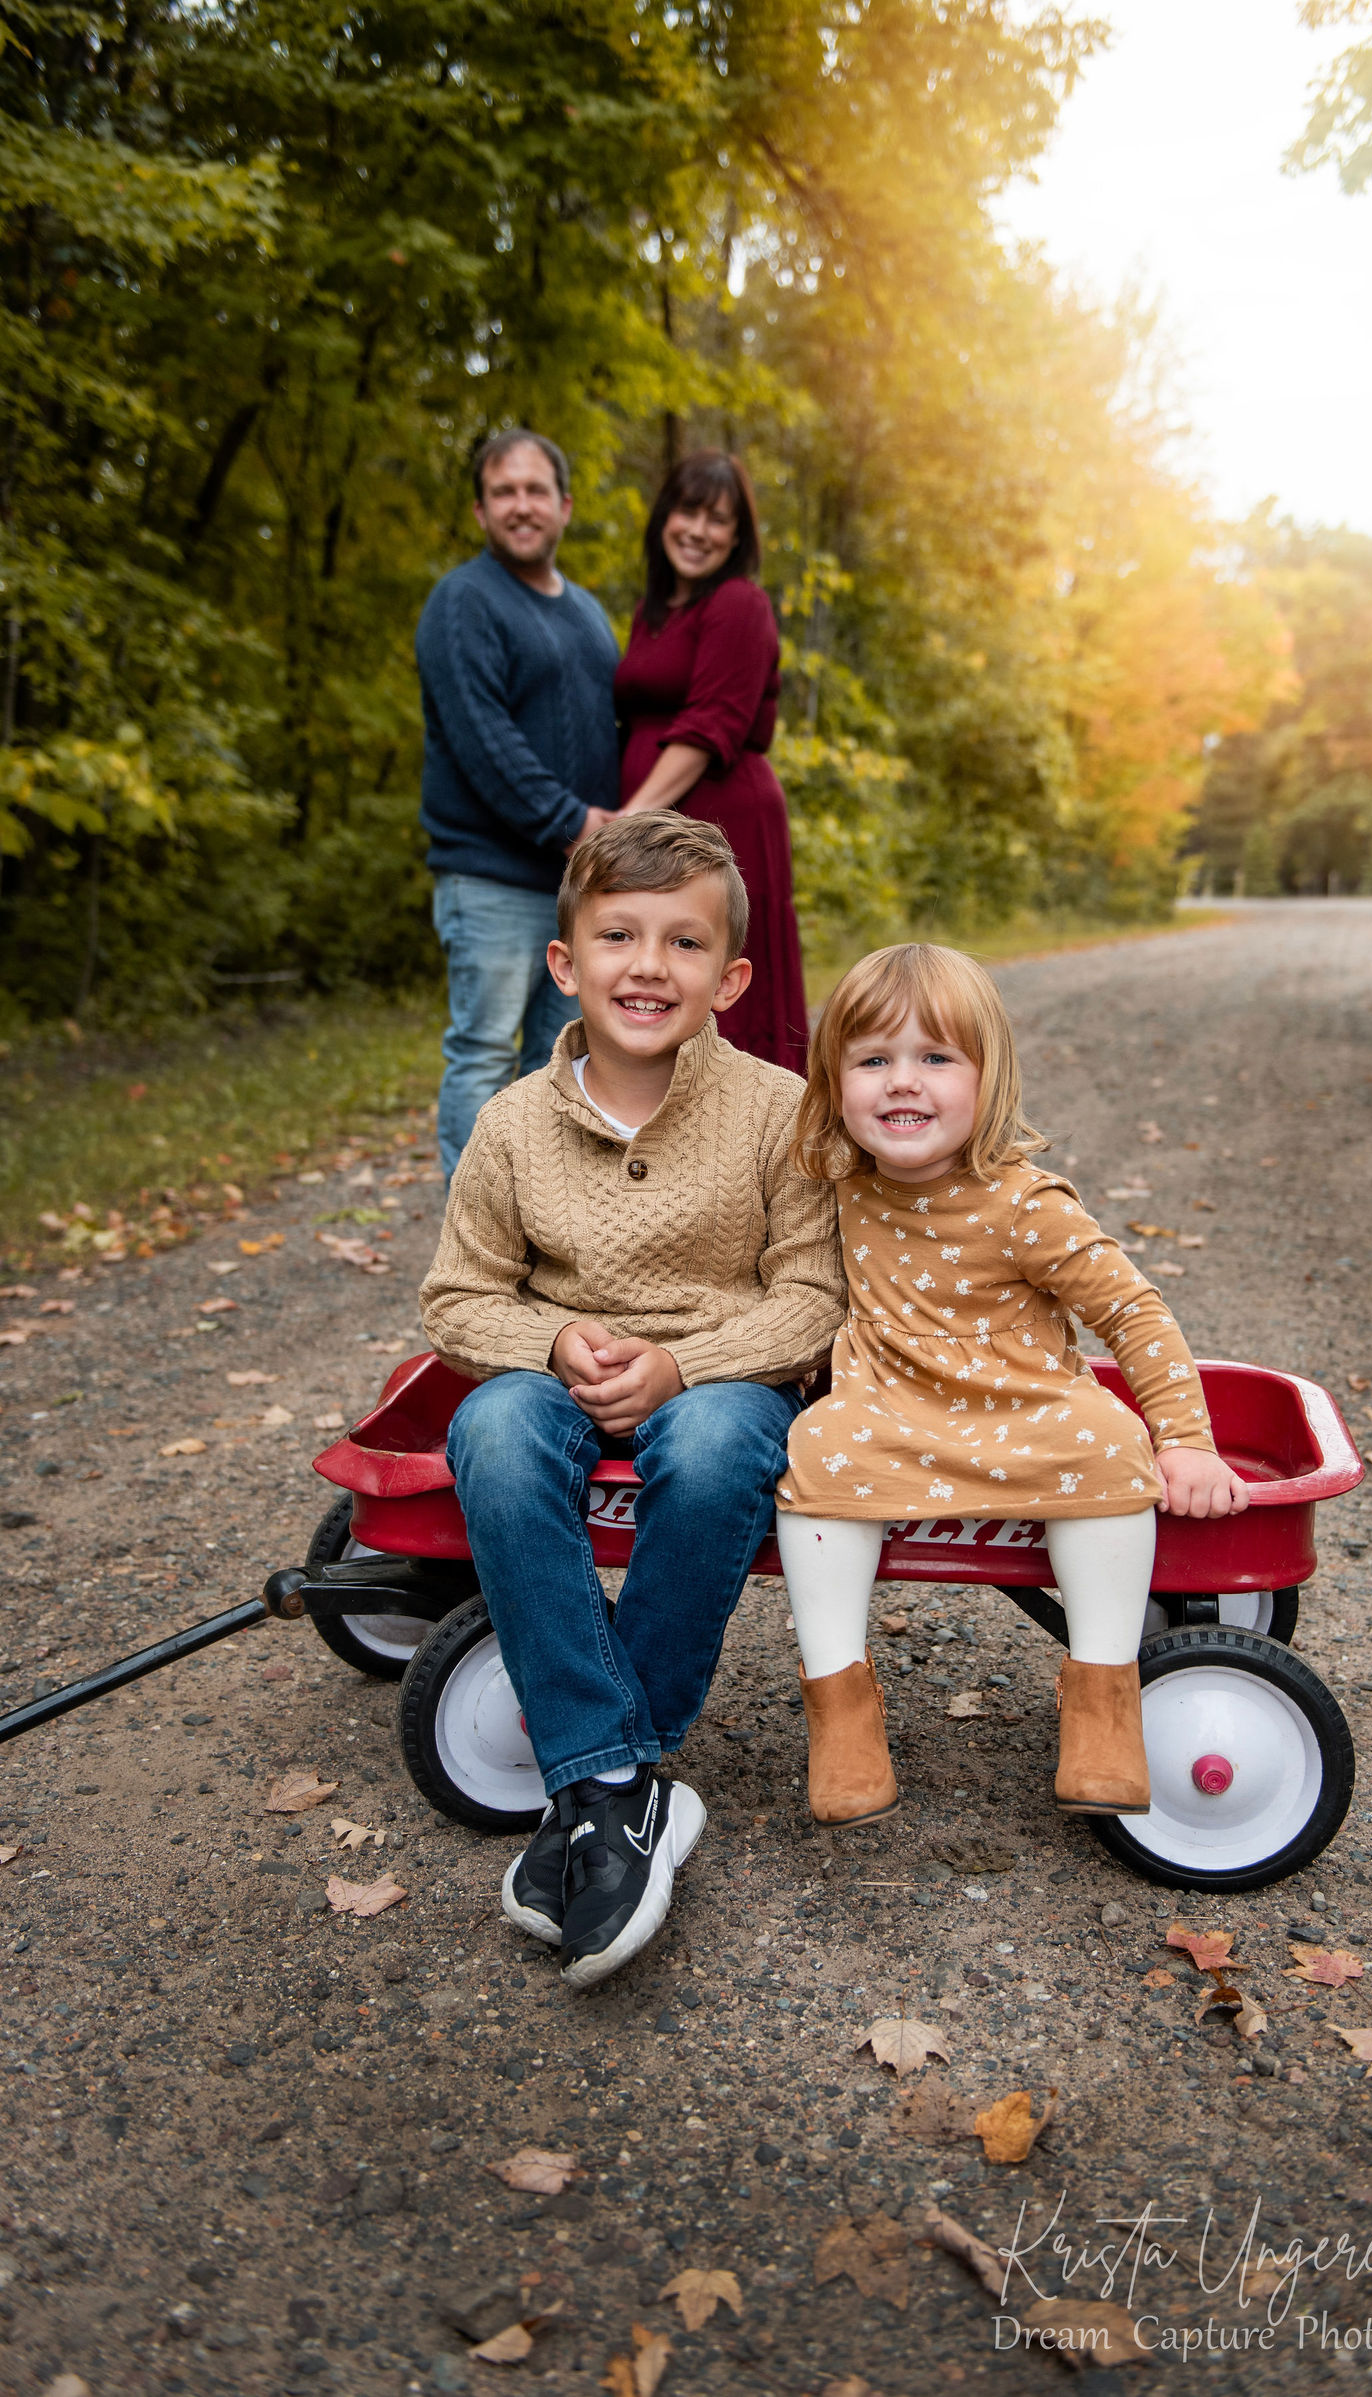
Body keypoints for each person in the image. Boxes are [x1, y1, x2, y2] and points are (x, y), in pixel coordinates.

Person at [418, 813, 845, 1989]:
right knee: (493, 1431)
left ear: (731, 977)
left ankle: (598, 1781)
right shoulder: (511, 1126)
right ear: (566, 964)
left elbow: (812, 1294)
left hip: (718, 1374)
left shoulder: (775, 1110)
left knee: (716, 1450)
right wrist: (554, 1340)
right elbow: (456, 1301)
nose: (648, 966)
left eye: (684, 943)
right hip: (559, 1374)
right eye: (617, 935)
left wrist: (686, 1363)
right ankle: (624, 1789)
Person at [772, 943, 1249, 1830]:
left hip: (1026, 1405)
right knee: (817, 1450)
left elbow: (1134, 1314)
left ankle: (1103, 1695)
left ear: (987, 1080)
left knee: (1110, 1444)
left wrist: (1187, 1436)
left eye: (936, 1058)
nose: (902, 1083)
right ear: (834, 1081)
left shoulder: (1025, 1202)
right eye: (873, 1060)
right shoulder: (833, 1189)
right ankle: (840, 1704)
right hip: (889, 1407)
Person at [417, 429, 620, 1180]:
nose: (521, 506)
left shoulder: (589, 613)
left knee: (562, 1064)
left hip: (579, 885)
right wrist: (572, 823)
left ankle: (543, 1241)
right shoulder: (463, 601)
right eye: (505, 492)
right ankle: (472, 1258)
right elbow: (482, 738)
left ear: (564, 507)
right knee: (482, 1053)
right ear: (480, 510)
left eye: (536, 491)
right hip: (492, 879)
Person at [613, 450, 809, 1075]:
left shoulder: (739, 604)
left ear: (737, 537)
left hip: (722, 815)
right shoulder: (652, 613)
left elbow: (709, 727)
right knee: (659, 976)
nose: (698, 530)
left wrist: (623, 825)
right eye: (687, 511)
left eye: (718, 520)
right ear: (663, 517)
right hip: (659, 823)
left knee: (722, 981)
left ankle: (757, 1151)